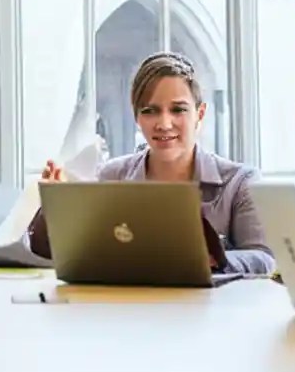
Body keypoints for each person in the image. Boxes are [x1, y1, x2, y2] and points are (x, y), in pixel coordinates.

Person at [28, 51, 274, 274]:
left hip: (212, 314)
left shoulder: (240, 182)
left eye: (178, 110)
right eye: (150, 111)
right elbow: (50, 252)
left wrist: (213, 260)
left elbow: (263, 258)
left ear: (199, 114)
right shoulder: (111, 177)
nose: (164, 124)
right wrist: (55, 204)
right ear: (137, 117)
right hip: (129, 312)